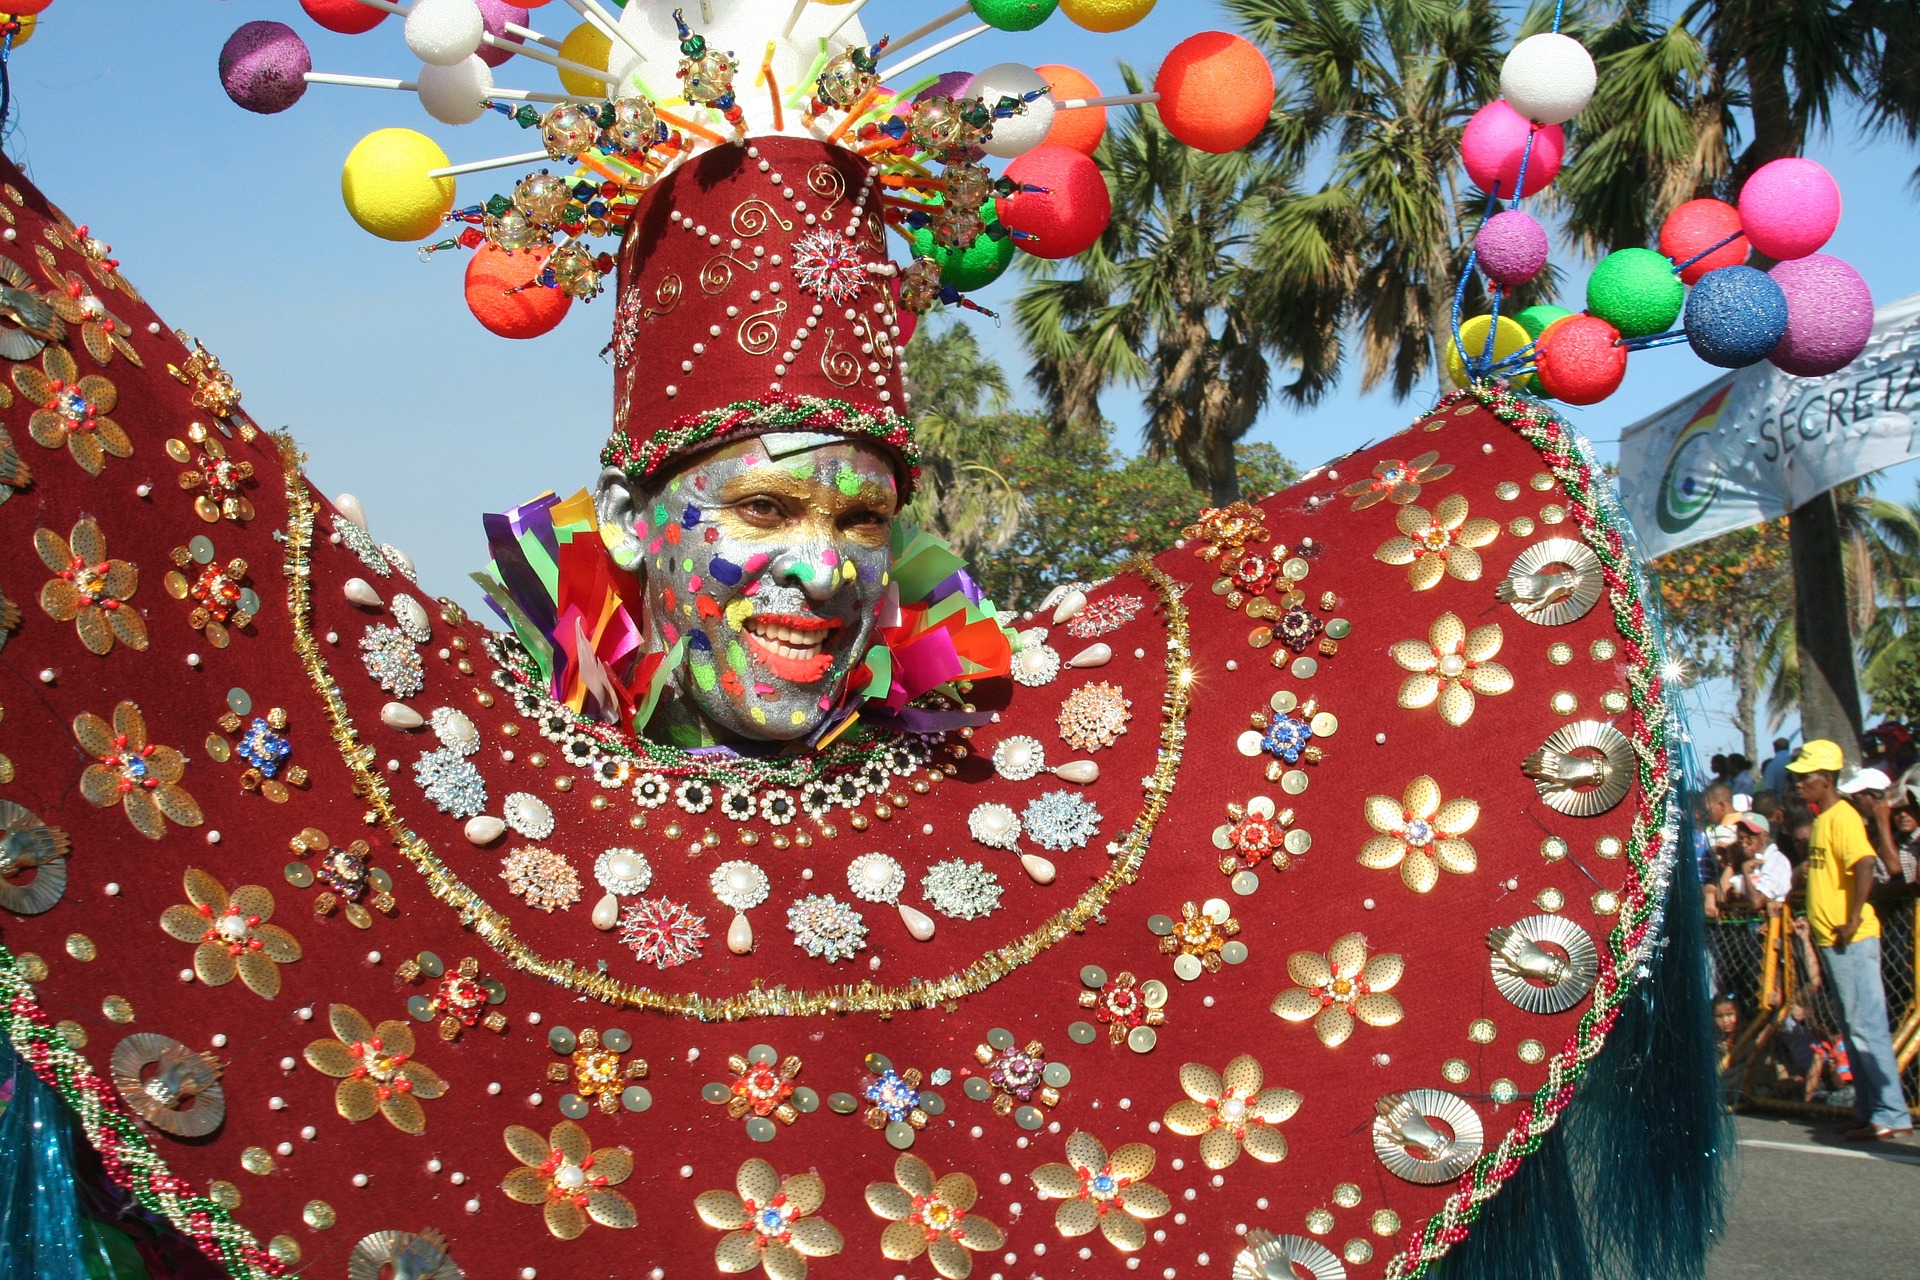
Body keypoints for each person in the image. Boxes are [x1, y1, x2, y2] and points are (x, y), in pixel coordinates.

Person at [1788, 740, 1914, 1139]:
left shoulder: (1842, 816)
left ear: (1826, 780)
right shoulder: (1824, 818)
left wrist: (1853, 915)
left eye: (1806, 776)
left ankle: (1891, 1114)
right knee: (1853, 1027)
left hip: (1852, 938)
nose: (1798, 783)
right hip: (1834, 940)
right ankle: (1869, 1109)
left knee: (1866, 1028)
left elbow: (1864, 862)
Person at [1725, 812, 1791, 910]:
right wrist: (1731, 862)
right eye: (1741, 839)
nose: (1743, 845)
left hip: (1775, 922)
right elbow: (1721, 896)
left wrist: (1744, 872)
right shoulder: (1748, 861)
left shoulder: (1776, 861)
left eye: (1749, 839)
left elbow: (1756, 902)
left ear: (1764, 837)